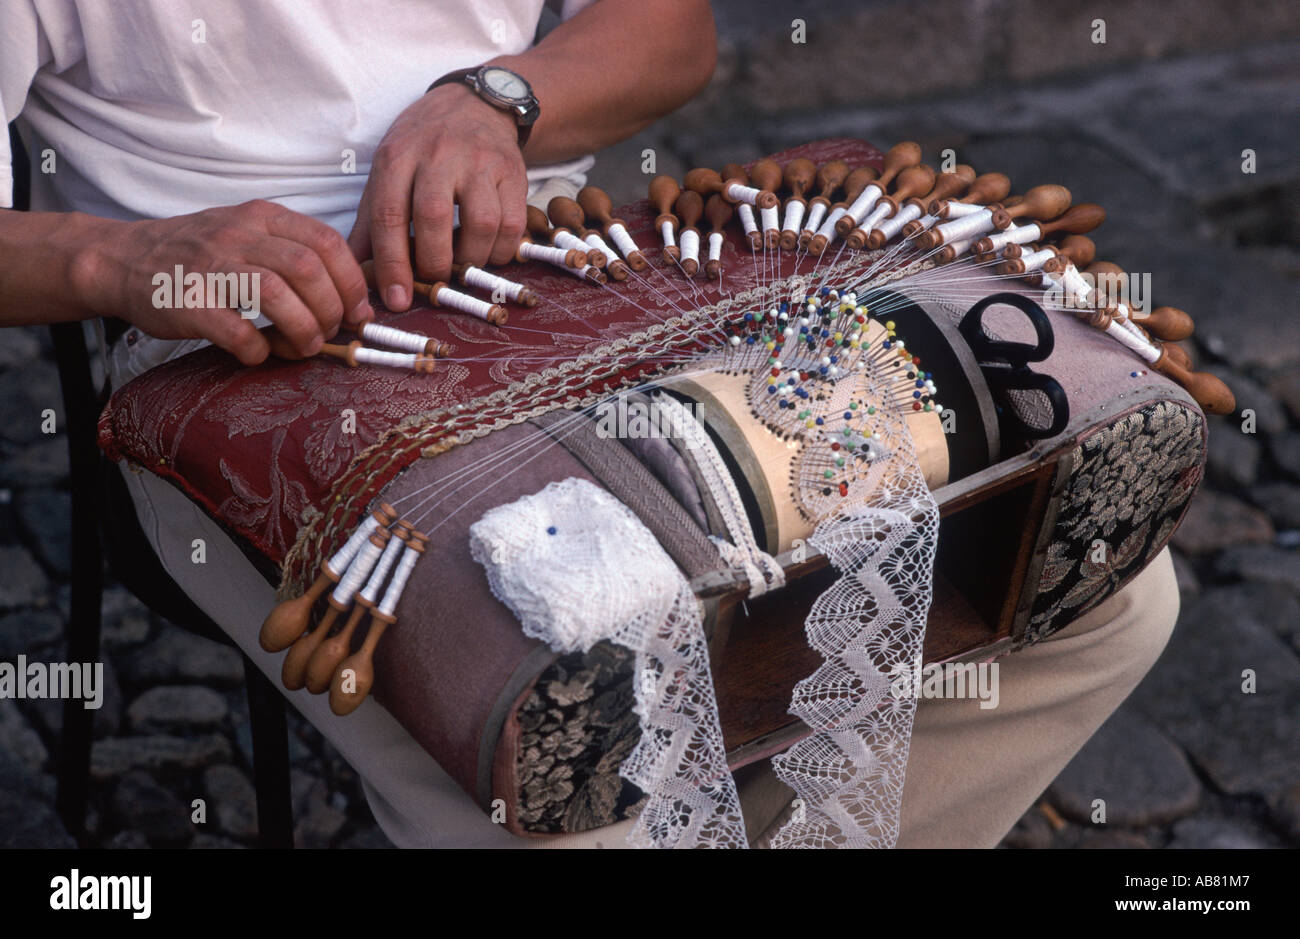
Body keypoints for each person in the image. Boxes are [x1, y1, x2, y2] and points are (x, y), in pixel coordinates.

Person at [0, 0, 1181, 848]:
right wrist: (124, 252)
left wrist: (501, 98)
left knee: (1095, 606)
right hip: (236, 362)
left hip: (572, 264)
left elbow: (668, 29)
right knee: (568, 782)